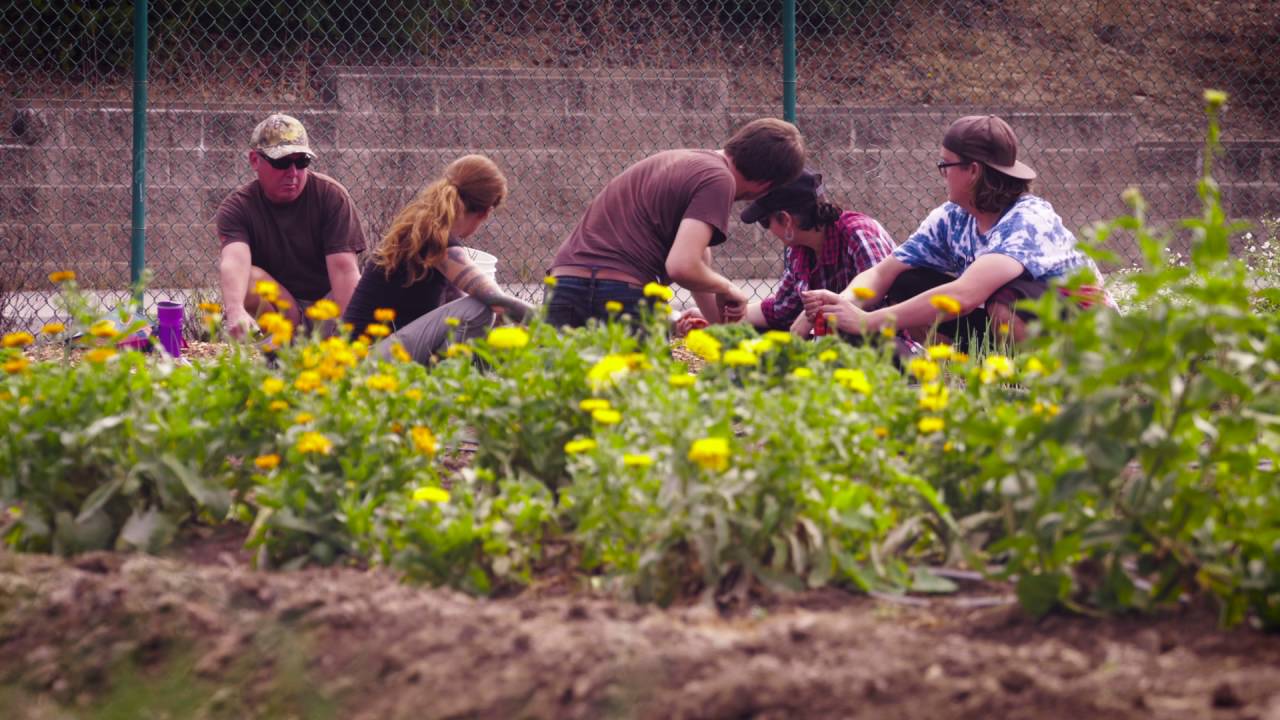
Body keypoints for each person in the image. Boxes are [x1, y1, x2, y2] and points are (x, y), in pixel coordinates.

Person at [802, 114, 1111, 347]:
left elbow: (965, 295)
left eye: (945, 165)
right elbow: (883, 272)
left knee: (1007, 299)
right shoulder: (953, 216)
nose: (942, 174)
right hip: (1027, 327)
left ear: (973, 171)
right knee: (907, 282)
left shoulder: (1028, 219)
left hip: (1087, 340)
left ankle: (1037, 388)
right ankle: (956, 377)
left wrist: (868, 321)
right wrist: (842, 304)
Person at [545, 117, 806, 328]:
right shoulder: (719, 180)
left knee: (563, 389)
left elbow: (698, 261)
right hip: (619, 291)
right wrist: (728, 287)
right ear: (765, 186)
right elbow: (682, 266)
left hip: (563, 285)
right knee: (640, 391)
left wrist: (720, 329)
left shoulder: (681, 161)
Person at [342, 154, 533, 364]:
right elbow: (493, 300)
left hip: (373, 353)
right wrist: (550, 321)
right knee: (477, 309)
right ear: (486, 212)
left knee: (484, 321)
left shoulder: (427, 228)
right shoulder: (435, 241)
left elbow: (471, 311)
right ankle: (446, 383)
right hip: (364, 359)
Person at [678, 169, 896, 336]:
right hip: (837, 339)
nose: (768, 230)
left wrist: (815, 314)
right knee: (755, 339)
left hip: (886, 339)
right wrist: (721, 320)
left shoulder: (858, 234)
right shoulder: (800, 251)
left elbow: (880, 306)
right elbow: (780, 311)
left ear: (786, 219)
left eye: (766, 221)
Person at [216, 113, 365, 338]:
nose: (293, 172)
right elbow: (234, 259)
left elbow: (345, 271)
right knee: (249, 278)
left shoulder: (331, 196)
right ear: (255, 160)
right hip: (283, 312)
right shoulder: (238, 207)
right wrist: (235, 309)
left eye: (301, 161)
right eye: (282, 162)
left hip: (327, 308)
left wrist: (351, 337)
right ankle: (277, 349)